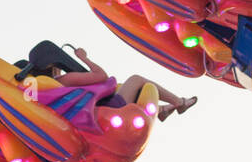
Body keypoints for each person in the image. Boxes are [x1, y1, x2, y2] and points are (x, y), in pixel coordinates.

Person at [19, 42, 197, 123]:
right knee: (137, 80)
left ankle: (162, 110)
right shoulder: (62, 81)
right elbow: (100, 76)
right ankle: (179, 103)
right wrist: (84, 58)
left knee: (126, 92)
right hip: (107, 110)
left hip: (93, 116)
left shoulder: (43, 92)